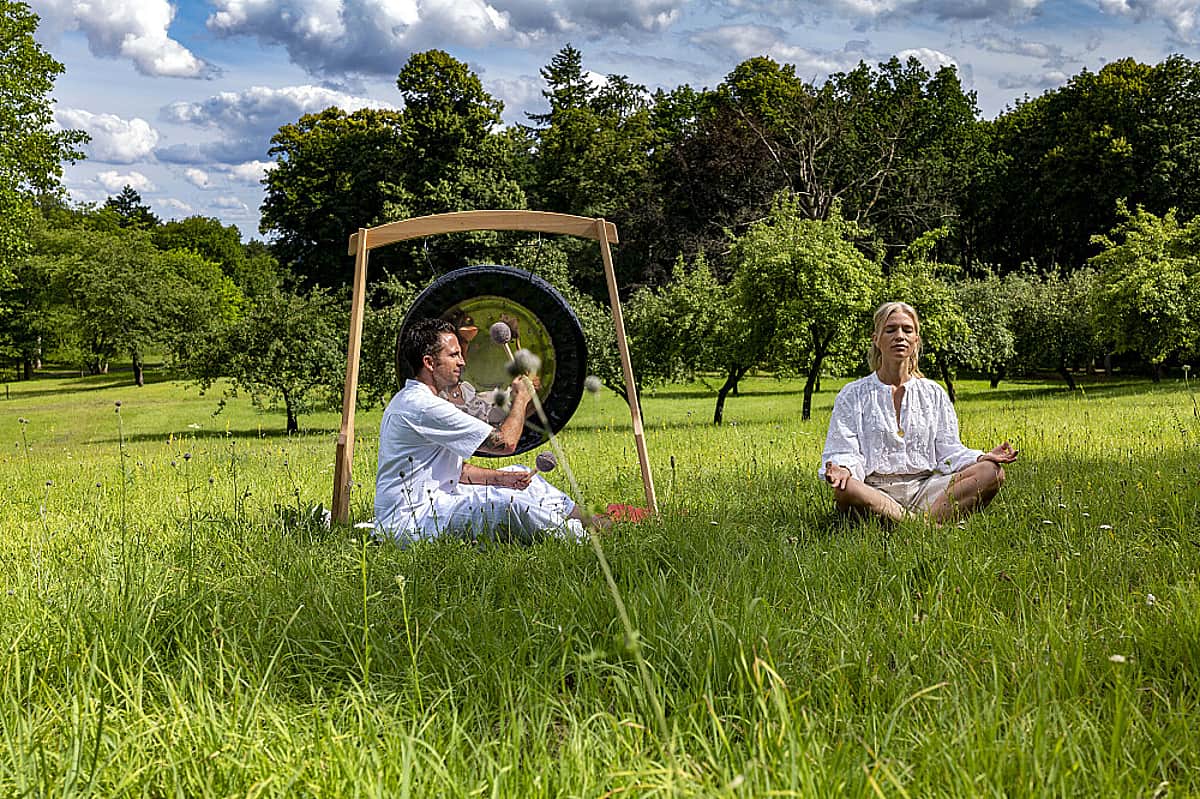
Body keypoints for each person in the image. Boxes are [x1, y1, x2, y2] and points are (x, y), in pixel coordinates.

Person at [374, 318, 605, 544]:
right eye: (454, 355)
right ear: (429, 363)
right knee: (508, 506)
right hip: (412, 521)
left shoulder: (419, 400)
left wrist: (502, 478)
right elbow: (505, 443)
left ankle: (586, 519)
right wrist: (521, 398)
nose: (463, 362)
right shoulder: (423, 406)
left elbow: (454, 471)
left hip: (441, 499)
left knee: (519, 473)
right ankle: (580, 538)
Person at [819, 301, 1018, 524]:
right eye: (891, 329)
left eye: (907, 329)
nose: (900, 336)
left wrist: (981, 457)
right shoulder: (853, 394)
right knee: (847, 489)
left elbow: (948, 451)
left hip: (926, 489)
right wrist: (842, 469)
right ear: (876, 339)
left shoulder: (933, 393)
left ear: (916, 340)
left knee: (992, 472)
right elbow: (845, 451)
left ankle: (913, 523)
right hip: (873, 492)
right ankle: (923, 527)